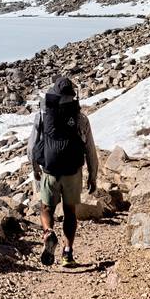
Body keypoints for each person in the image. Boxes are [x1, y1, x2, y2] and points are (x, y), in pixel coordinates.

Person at [28, 76, 99, 266]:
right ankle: (67, 253)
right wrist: (93, 176)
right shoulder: (80, 118)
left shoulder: (43, 116)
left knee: (46, 208)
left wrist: (35, 169)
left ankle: (48, 232)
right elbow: (90, 149)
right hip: (72, 172)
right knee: (70, 212)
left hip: (50, 171)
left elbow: (32, 146)